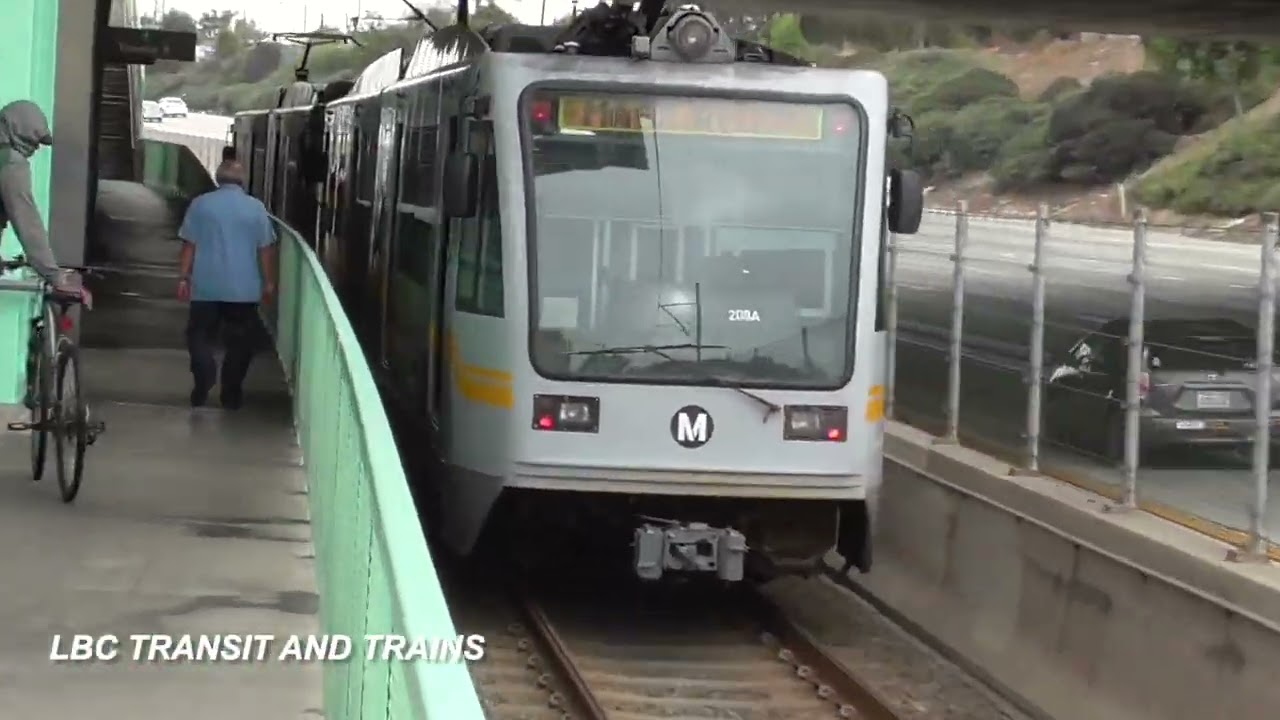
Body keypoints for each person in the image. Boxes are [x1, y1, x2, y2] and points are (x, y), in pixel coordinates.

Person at [177, 159, 277, 409]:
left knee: (198, 334)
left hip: (205, 286)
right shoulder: (256, 208)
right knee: (241, 342)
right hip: (243, 289)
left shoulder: (200, 204)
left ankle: (204, 371)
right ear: (242, 181)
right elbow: (265, 249)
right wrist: (269, 282)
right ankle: (231, 393)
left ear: (218, 178)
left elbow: (189, 244)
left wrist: (183, 276)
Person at [0, 100, 83, 296]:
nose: (36, 148)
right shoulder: (10, 162)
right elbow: (27, 220)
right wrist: (54, 275)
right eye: (32, 140)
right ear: (18, 130)